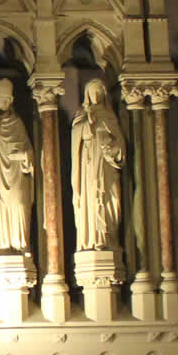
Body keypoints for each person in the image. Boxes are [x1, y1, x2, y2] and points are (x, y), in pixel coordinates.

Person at [0, 80, 35, 255]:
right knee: (0, 207)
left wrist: (23, 156)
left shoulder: (17, 122)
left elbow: (29, 148)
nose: (4, 104)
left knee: (19, 203)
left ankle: (21, 243)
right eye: (1, 100)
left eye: (6, 100)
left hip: (17, 172)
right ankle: (2, 245)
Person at [71, 77, 125, 250]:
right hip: (89, 164)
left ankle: (109, 238)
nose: (96, 95)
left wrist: (114, 148)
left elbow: (120, 142)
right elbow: (76, 137)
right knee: (92, 198)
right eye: (93, 92)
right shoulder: (82, 114)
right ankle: (93, 239)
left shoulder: (110, 115)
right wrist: (88, 125)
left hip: (106, 163)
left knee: (111, 198)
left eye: (99, 91)